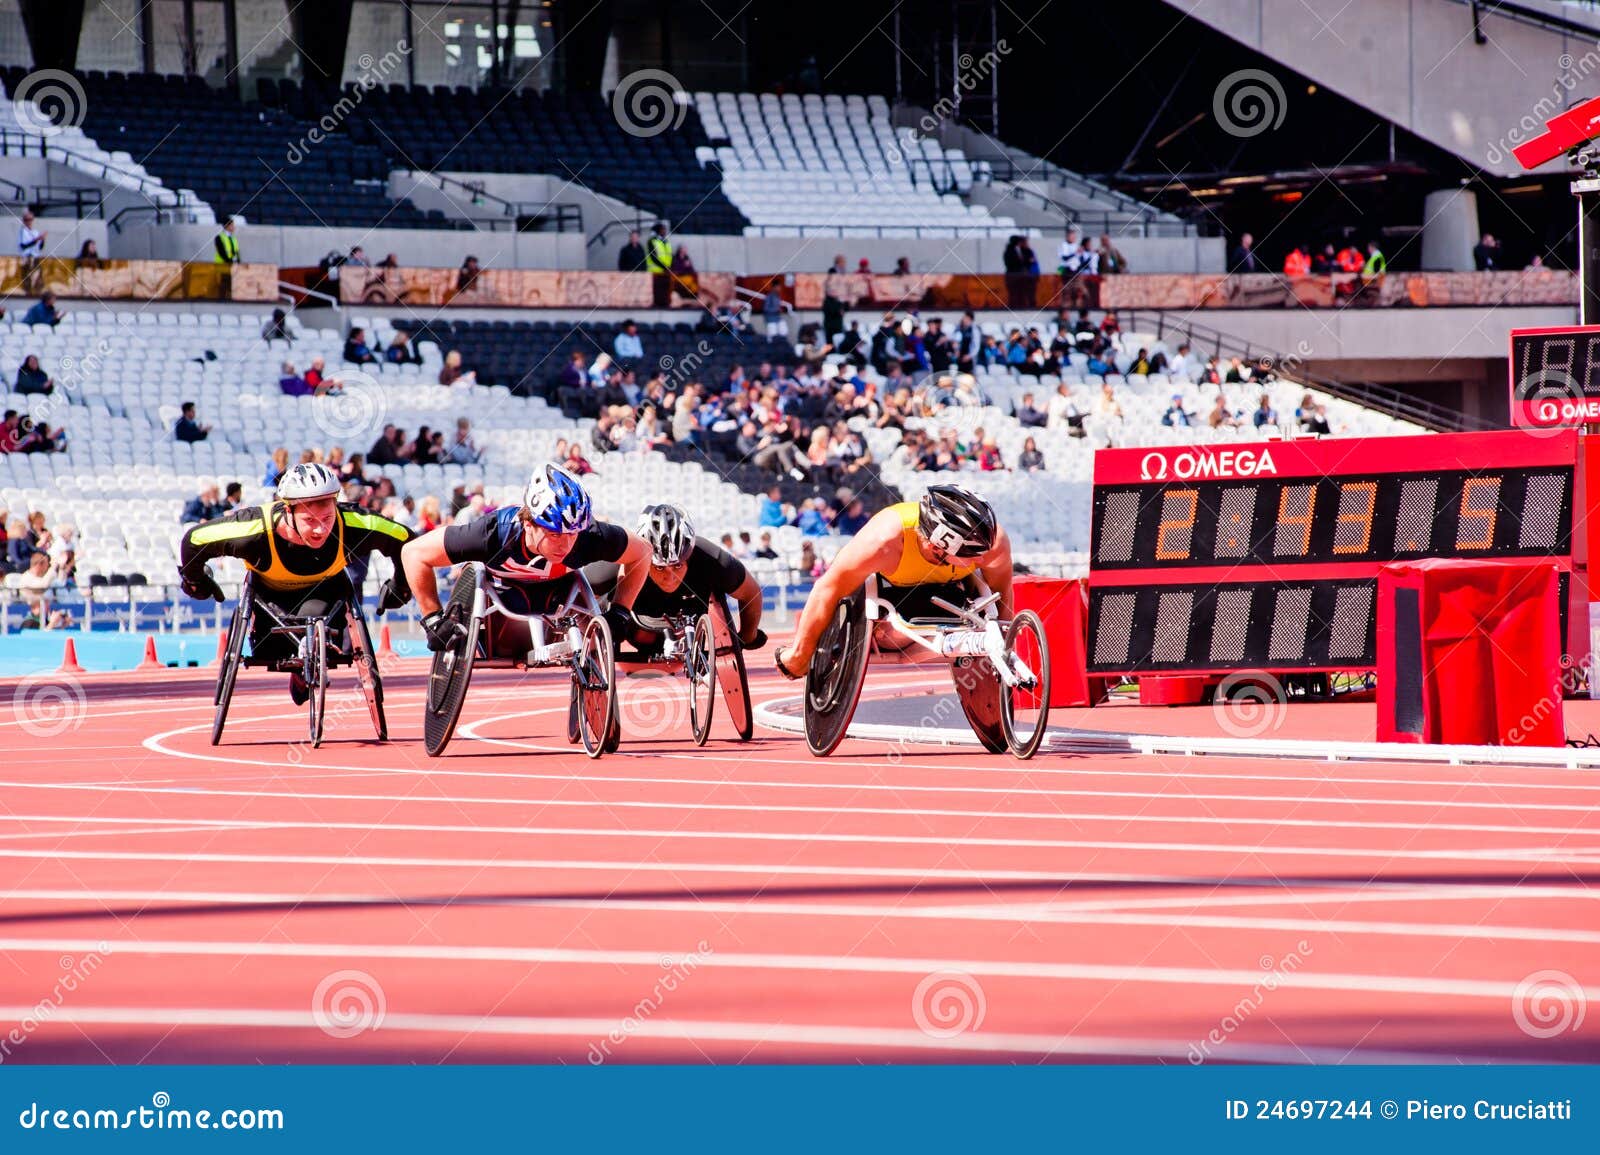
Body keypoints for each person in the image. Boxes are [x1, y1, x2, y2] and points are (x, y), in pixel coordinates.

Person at [178, 463, 413, 703]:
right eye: (309, 519)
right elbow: (193, 540)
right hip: (268, 601)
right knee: (270, 651)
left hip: (325, 596)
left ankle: (312, 653)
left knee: (318, 616)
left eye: (327, 517)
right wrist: (197, 581)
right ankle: (301, 668)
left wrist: (401, 586)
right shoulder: (255, 529)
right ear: (288, 511)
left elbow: (406, 541)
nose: (320, 529)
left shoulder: (354, 524)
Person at [401, 463, 650, 654]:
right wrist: (433, 618)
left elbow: (643, 552)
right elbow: (413, 553)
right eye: (554, 534)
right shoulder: (493, 534)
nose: (565, 543)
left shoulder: (588, 536)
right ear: (528, 522)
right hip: (500, 599)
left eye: (572, 533)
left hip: (559, 598)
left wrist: (620, 611)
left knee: (596, 630)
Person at [775, 486, 1013, 679]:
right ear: (935, 545)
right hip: (892, 592)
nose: (983, 558)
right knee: (885, 634)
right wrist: (799, 655)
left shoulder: (991, 542)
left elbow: (1002, 596)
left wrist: (1005, 650)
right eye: (971, 554)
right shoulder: (883, 542)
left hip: (953, 594)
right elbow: (828, 588)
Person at [594, 504, 766, 657]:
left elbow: (751, 593)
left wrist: (747, 637)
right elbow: (579, 590)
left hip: (691, 630)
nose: (669, 577)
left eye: (677, 566)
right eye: (660, 567)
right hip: (637, 630)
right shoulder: (625, 557)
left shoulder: (711, 558)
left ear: (689, 556)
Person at [646, 222, 672, 308]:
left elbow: (669, 255)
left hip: (666, 272)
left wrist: (669, 268)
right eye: (662, 229)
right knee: (657, 292)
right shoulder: (652, 241)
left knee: (665, 292)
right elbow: (653, 257)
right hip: (655, 271)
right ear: (658, 231)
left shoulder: (666, 241)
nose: (664, 231)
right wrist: (664, 267)